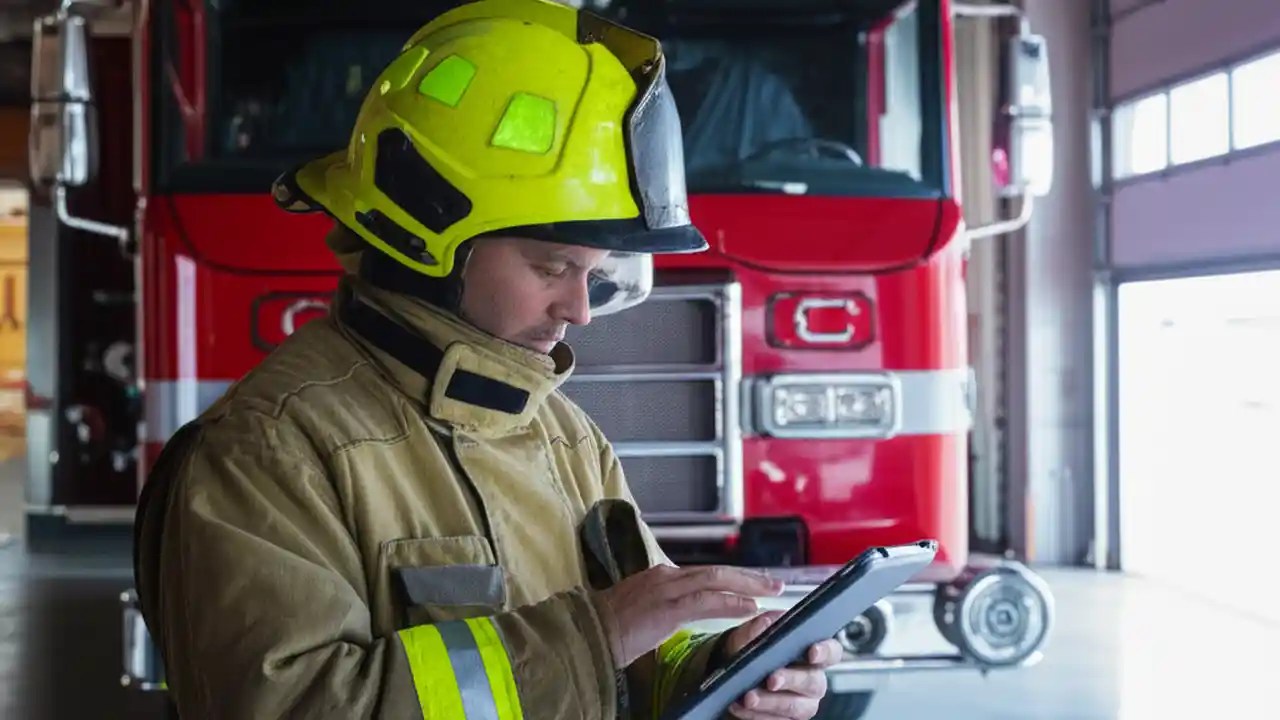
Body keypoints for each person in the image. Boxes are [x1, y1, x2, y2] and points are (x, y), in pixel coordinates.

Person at [132, 1, 843, 718]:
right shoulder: (270, 451)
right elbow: (289, 707)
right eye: (551, 265)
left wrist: (724, 667)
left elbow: (641, 649)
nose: (581, 309)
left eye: (593, 272)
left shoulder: (565, 436)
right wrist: (591, 637)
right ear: (426, 231)